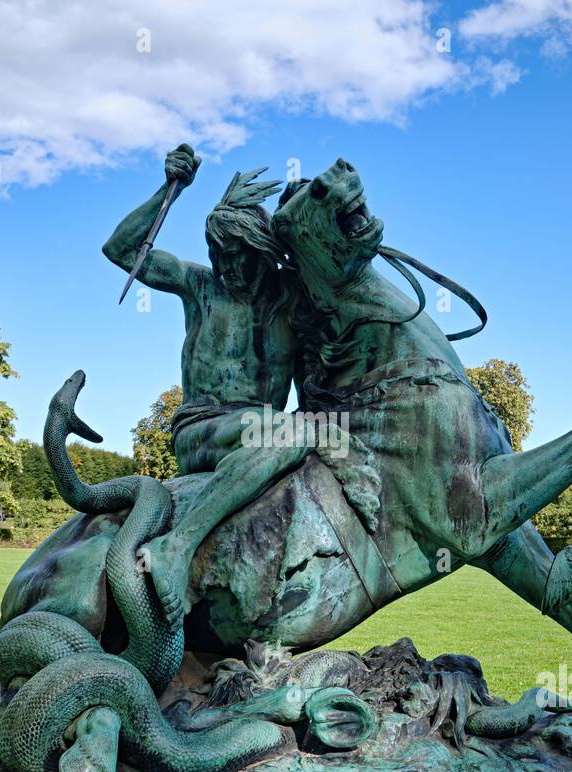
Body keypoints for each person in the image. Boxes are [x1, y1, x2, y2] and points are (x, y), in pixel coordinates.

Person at [102, 145, 378, 622]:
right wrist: (171, 188)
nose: (228, 268)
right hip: (204, 431)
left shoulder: (293, 299)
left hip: (266, 435)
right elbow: (121, 250)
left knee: (316, 433)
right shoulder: (200, 286)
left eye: (239, 257)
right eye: (219, 256)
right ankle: (176, 546)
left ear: (264, 252)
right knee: (291, 430)